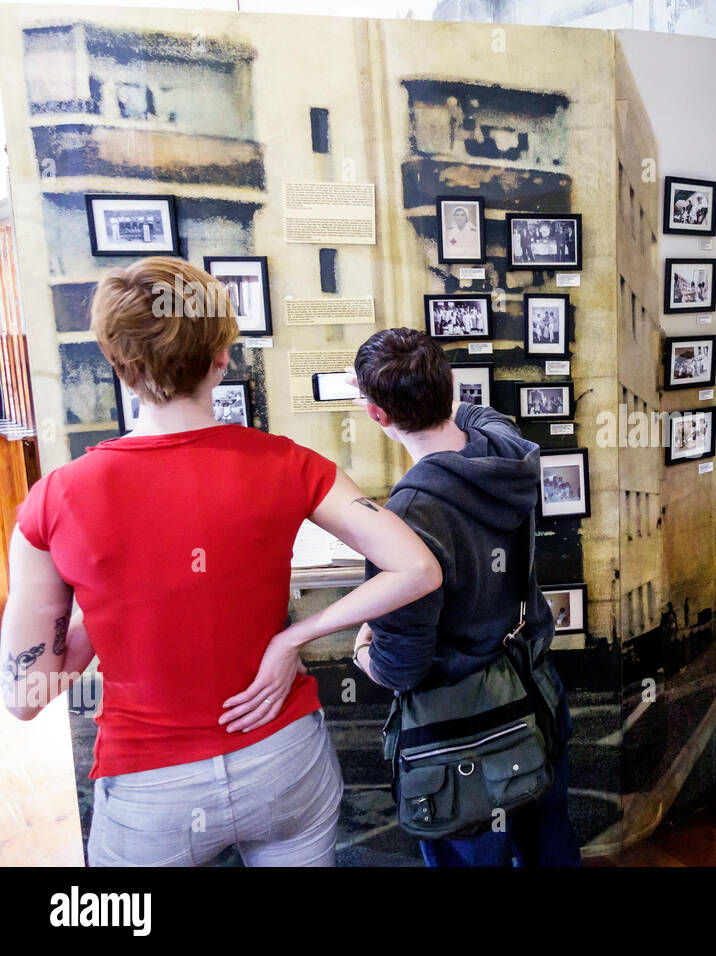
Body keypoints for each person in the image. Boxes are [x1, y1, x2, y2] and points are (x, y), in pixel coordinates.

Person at [0, 257, 440, 866]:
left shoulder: (52, 500)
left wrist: (106, 604)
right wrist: (293, 640)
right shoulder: (287, 462)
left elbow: (24, 695)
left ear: (116, 363)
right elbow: (418, 567)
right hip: (283, 757)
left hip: (151, 788)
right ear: (221, 357)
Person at [347, 327, 582, 868]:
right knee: (551, 847)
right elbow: (473, 415)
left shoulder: (403, 520)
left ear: (377, 416)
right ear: (451, 386)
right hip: (534, 688)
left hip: (462, 732)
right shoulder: (508, 448)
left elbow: (400, 667)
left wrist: (362, 648)